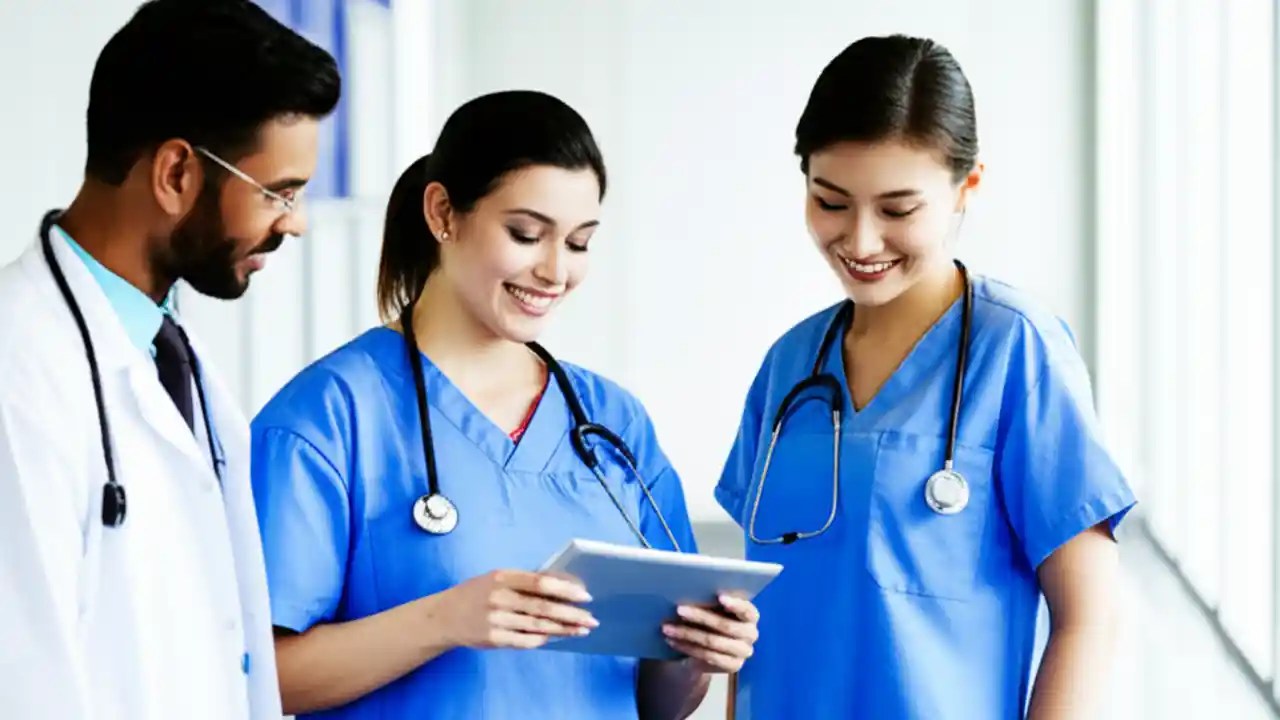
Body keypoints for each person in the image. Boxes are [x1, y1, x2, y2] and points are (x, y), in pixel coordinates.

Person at [249, 89, 759, 720]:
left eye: (579, 243)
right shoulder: (328, 418)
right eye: (526, 234)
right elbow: (262, 677)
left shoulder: (612, 422)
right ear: (443, 213)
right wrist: (443, 620)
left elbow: (658, 705)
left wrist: (696, 657)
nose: (555, 271)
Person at [714, 35, 1137, 719]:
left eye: (897, 210)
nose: (860, 240)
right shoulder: (790, 366)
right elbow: (751, 615)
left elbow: (1088, 617)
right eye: (831, 202)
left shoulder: (1016, 351)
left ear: (967, 186)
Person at [0, 2, 341, 718]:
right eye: (278, 193)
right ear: (177, 173)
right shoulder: (20, 365)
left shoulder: (173, 358)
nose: (296, 223)